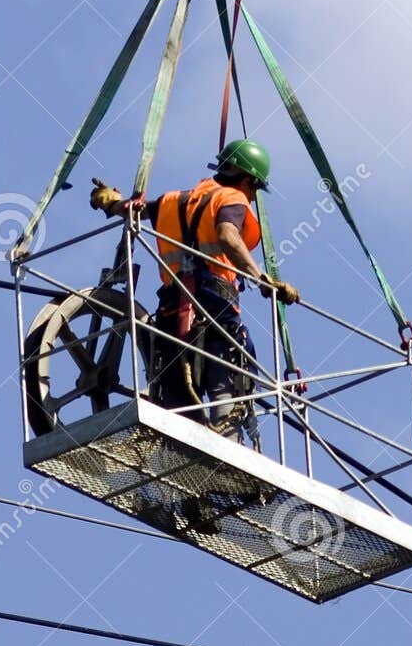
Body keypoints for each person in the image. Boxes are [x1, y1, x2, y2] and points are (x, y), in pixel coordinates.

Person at [90, 139, 299, 443]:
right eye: (254, 190)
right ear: (248, 179)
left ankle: (180, 440)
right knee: (228, 374)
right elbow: (227, 235)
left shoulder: (173, 200)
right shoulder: (233, 199)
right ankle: (226, 451)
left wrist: (110, 202)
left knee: (175, 382)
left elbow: (132, 210)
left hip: (173, 306)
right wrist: (260, 278)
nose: (252, 198)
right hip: (215, 301)